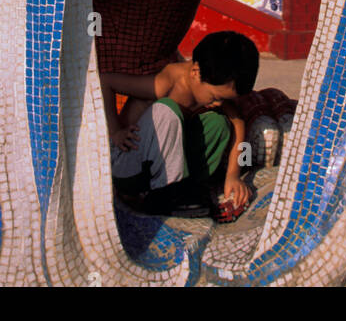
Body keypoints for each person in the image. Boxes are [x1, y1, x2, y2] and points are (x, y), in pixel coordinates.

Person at [101, 31, 259, 217]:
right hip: (130, 167)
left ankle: (188, 187)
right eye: (216, 98)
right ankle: (167, 193)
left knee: (218, 122)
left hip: (161, 168)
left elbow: (238, 122)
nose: (219, 104)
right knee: (167, 110)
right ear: (195, 72)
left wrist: (233, 175)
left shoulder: (211, 87)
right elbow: (105, 82)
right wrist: (115, 132)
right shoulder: (167, 82)